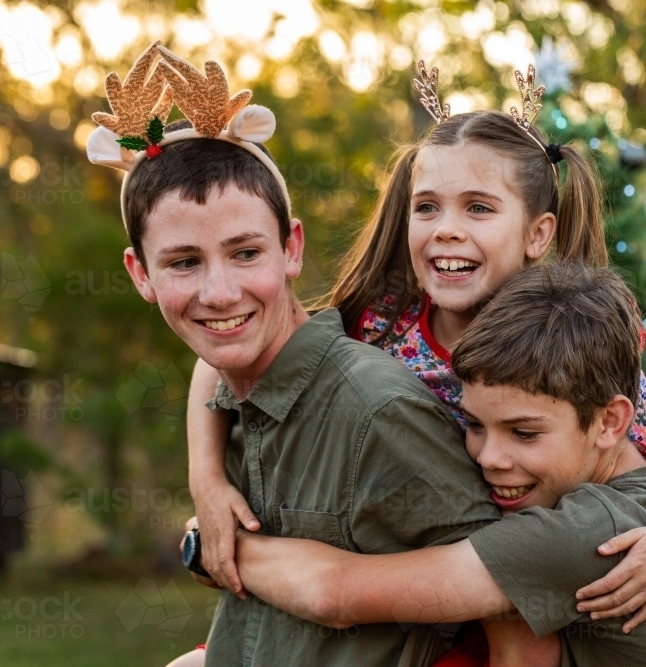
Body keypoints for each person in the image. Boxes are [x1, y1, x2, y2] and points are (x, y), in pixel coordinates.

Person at [186, 61, 646, 638]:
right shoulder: (382, 323)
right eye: (427, 207)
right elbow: (230, 349)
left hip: (522, 599)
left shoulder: (567, 353)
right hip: (413, 591)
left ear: (537, 234)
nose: (446, 228)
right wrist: (207, 480)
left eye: (478, 207)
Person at [89, 43, 501, 667]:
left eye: (246, 253)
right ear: (140, 274)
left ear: (292, 249)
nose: (219, 292)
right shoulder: (234, 393)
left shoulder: (375, 411)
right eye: (183, 263)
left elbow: (510, 593)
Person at [228, 263, 646, 667]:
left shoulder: (592, 534)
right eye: (474, 425)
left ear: (610, 421)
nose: (489, 459)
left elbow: (334, 595)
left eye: (524, 433)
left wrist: (216, 547)